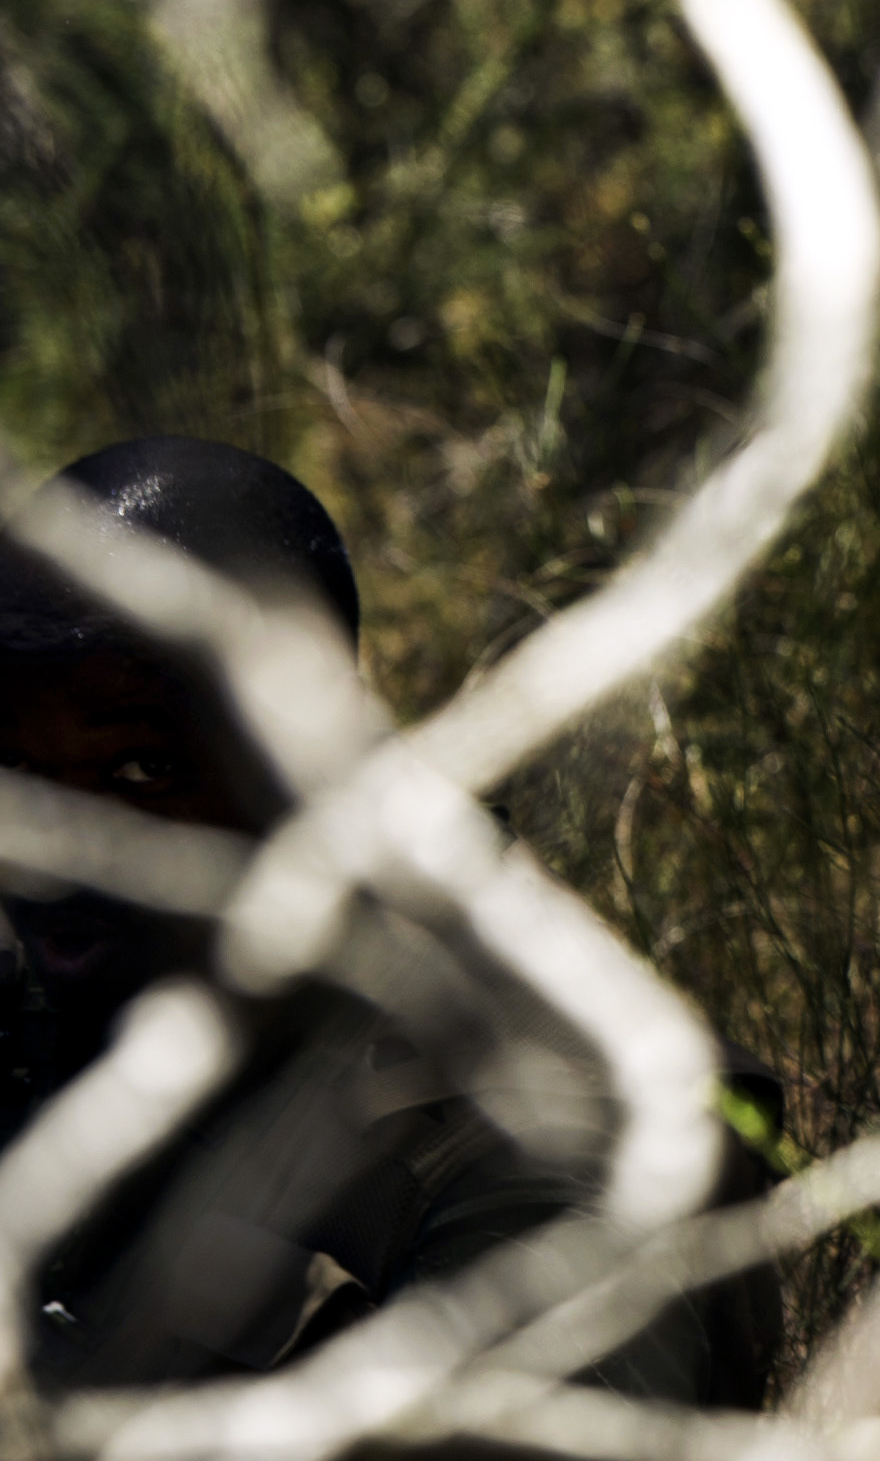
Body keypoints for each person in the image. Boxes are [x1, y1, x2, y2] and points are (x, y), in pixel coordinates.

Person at [1, 436, 775, 1401]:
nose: (54, 847)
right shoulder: (63, 971)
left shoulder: (564, 1120)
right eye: (21, 773)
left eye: (143, 772)